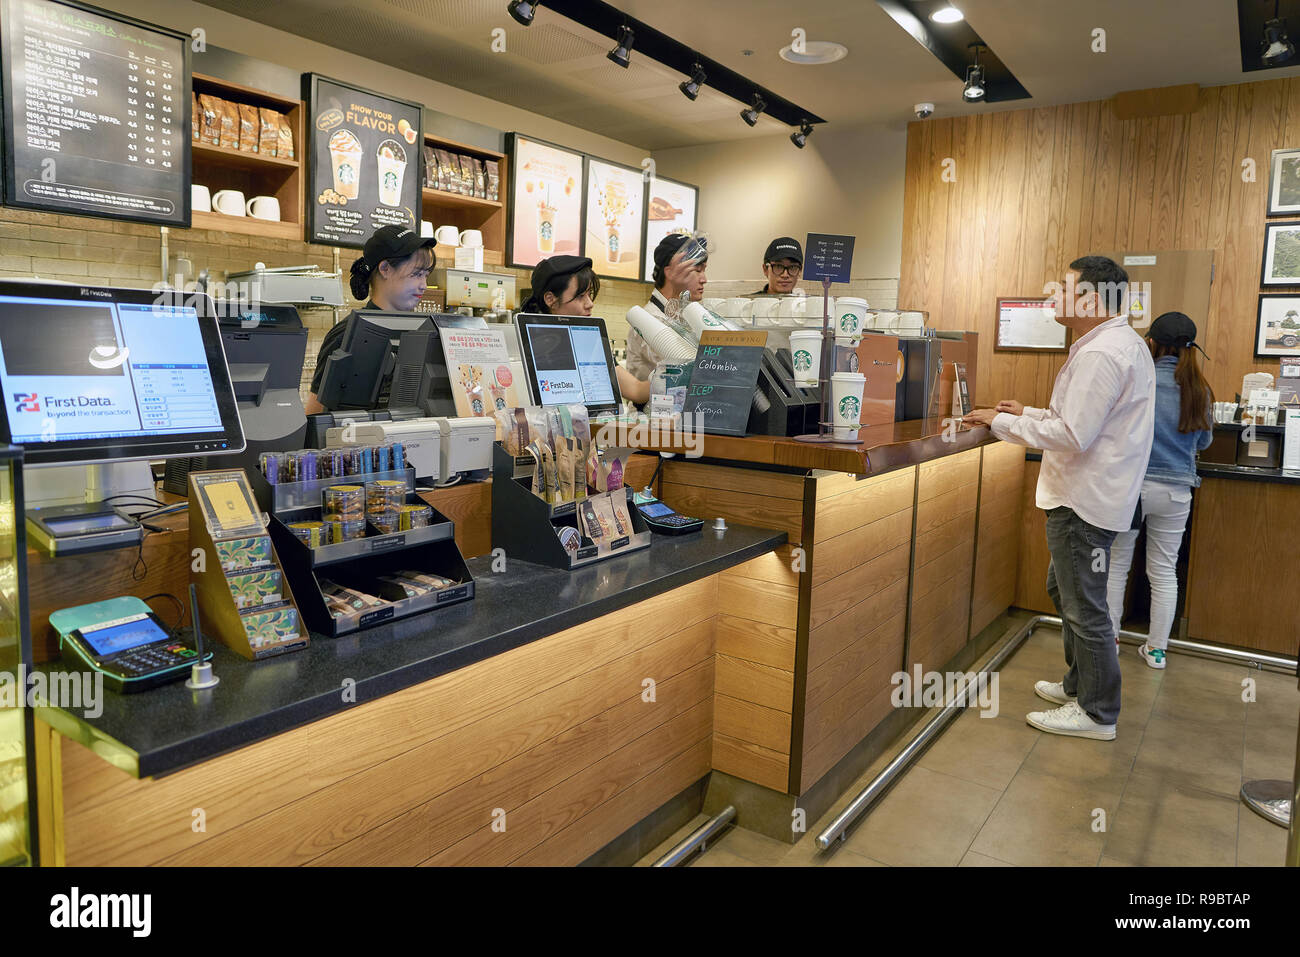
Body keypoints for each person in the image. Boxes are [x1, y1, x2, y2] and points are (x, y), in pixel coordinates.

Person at [963, 255, 1155, 741]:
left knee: (1083, 606)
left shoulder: (1101, 353)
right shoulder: (1117, 343)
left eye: (1064, 289)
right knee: (1065, 591)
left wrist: (999, 422)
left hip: (1083, 502)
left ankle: (1096, 712)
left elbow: (1073, 434)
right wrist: (1026, 410)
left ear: (1091, 299)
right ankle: (1079, 685)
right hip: (1094, 498)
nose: (1054, 297)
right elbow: (1087, 417)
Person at [1104, 312, 1213, 670]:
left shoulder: (1140, 382)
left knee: (1117, 565)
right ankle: (1157, 651)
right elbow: (1205, 440)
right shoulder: (1200, 389)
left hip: (1133, 487)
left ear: (1152, 342)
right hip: (1177, 490)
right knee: (1164, 571)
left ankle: (1111, 639)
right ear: (1190, 349)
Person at [304, 224, 436, 414]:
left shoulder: (422, 331)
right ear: (385, 268)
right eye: (416, 274)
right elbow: (315, 413)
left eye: (425, 275)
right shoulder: (346, 335)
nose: (423, 285)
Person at [621, 233, 709, 405]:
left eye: (705, 270)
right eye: (697, 270)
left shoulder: (685, 314)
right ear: (669, 272)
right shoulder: (648, 320)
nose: (704, 279)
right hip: (652, 420)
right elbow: (689, 366)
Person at [518, 255, 600, 317]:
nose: (590, 304)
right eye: (580, 296)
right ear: (550, 299)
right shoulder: (533, 337)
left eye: (589, 294)